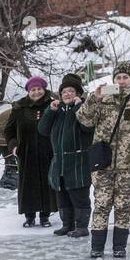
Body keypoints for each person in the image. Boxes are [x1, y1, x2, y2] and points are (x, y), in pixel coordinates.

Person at [77, 60, 130, 259]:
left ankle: (119, 247)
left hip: (128, 165)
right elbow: (83, 120)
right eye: (118, 77)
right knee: (102, 204)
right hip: (102, 164)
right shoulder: (103, 100)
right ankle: (97, 247)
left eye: (125, 77)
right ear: (113, 79)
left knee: (122, 206)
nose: (121, 81)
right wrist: (93, 98)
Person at [38, 73, 94, 239]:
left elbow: (88, 128)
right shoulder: (58, 111)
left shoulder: (84, 109)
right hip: (59, 162)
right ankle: (66, 225)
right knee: (62, 196)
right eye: (64, 92)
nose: (67, 94)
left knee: (79, 197)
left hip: (78, 163)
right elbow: (42, 130)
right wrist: (50, 111)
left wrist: (78, 108)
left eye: (71, 91)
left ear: (78, 93)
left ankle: (82, 226)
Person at [6, 76, 57, 228]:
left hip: (47, 151)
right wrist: (14, 146)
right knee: (28, 184)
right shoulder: (19, 107)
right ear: (28, 91)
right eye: (33, 90)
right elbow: (9, 130)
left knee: (46, 183)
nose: (36, 92)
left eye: (39, 89)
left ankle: (45, 216)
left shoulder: (52, 104)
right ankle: (29, 217)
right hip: (26, 152)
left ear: (44, 89)